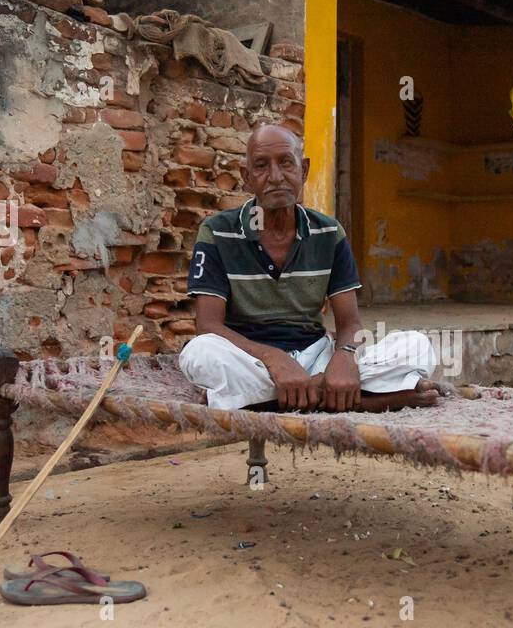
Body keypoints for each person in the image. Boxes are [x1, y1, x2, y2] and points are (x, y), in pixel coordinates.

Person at [179, 124, 439, 412]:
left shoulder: (329, 233)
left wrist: (345, 357)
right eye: (262, 166)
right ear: (247, 178)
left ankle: (285, 396)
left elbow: (350, 323)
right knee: (199, 354)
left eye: (286, 163)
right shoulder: (217, 232)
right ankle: (354, 399)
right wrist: (275, 359)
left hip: (316, 358)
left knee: (417, 346)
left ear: (303, 171)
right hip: (250, 357)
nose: (276, 177)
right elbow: (208, 326)